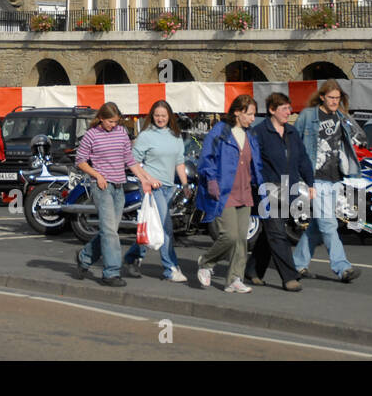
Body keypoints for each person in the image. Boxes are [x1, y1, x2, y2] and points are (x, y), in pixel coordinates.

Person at [291, 81, 363, 283]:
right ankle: (342, 267)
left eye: (337, 98)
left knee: (317, 226)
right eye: (331, 97)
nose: (334, 101)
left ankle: (296, 263)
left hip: (335, 179)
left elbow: (350, 143)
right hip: (315, 179)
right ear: (322, 97)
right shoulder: (308, 115)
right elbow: (293, 142)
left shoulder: (341, 117)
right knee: (329, 225)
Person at [71, 102, 147, 287]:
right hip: (102, 187)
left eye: (116, 121)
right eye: (110, 122)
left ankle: (84, 257)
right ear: (101, 119)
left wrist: (144, 178)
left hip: (119, 187)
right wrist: (97, 175)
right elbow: (80, 161)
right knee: (110, 232)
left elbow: (129, 159)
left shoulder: (121, 133)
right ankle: (111, 272)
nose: (114, 125)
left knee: (109, 230)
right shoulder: (91, 135)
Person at [195, 94, 262, 293]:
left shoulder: (251, 135)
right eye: (249, 114)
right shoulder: (220, 131)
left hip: (245, 191)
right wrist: (212, 180)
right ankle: (206, 262)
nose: (252, 118)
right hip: (225, 191)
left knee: (242, 239)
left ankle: (234, 278)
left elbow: (255, 162)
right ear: (237, 112)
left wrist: (261, 183)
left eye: (253, 115)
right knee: (230, 236)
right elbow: (207, 158)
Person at [247, 92, 314, 291]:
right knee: (277, 234)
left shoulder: (292, 133)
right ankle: (289, 276)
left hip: (288, 190)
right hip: (267, 191)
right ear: (272, 110)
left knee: (270, 234)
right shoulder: (259, 133)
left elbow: (302, 159)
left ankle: (252, 270)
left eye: (289, 107)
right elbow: (253, 163)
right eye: (284, 108)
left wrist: (310, 183)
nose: (289, 112)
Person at [122, 99, 189, 282]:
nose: (160, 119)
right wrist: (147, 180)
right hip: (152, 187)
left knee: (152, 227)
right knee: (165, 227)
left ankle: (131, 258)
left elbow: (179, 162)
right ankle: (171, 268)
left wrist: (184, 185)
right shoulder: (146, 136)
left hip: (169, 188)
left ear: (170, 117)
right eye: (157, 115)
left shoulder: (176, 136)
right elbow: (133, 162)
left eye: (163, 116)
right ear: (152, 116)